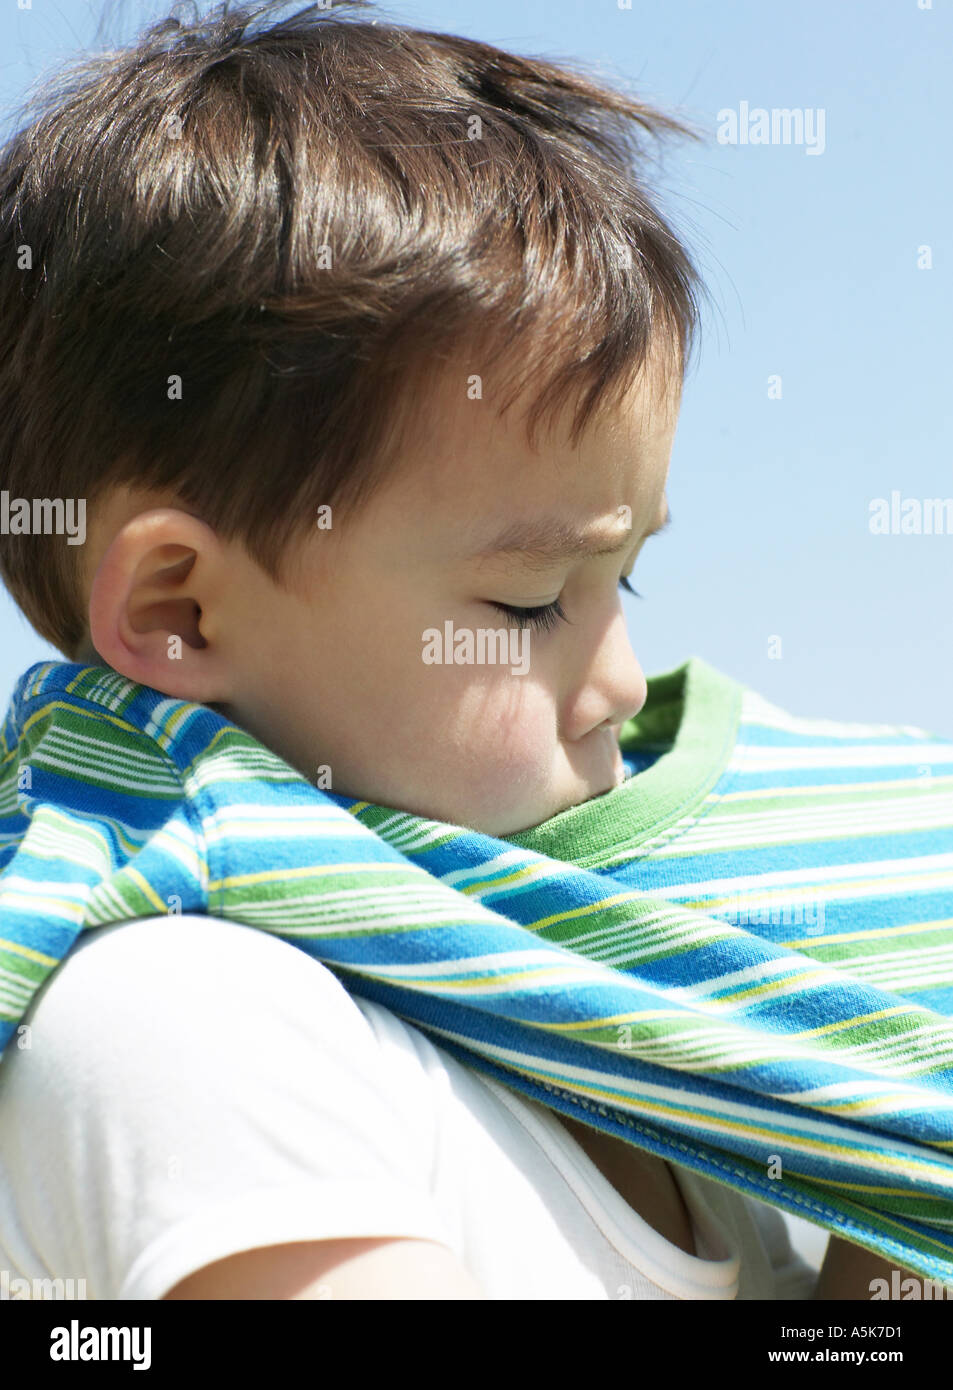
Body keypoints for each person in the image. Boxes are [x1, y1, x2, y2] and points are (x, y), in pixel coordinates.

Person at [0, 0, 928, 1300]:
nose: (617, 685)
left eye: (629, 576)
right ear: (179, 611)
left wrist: (904, 1203)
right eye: (535, 600)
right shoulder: (194, 1021)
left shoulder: (631, 1024)